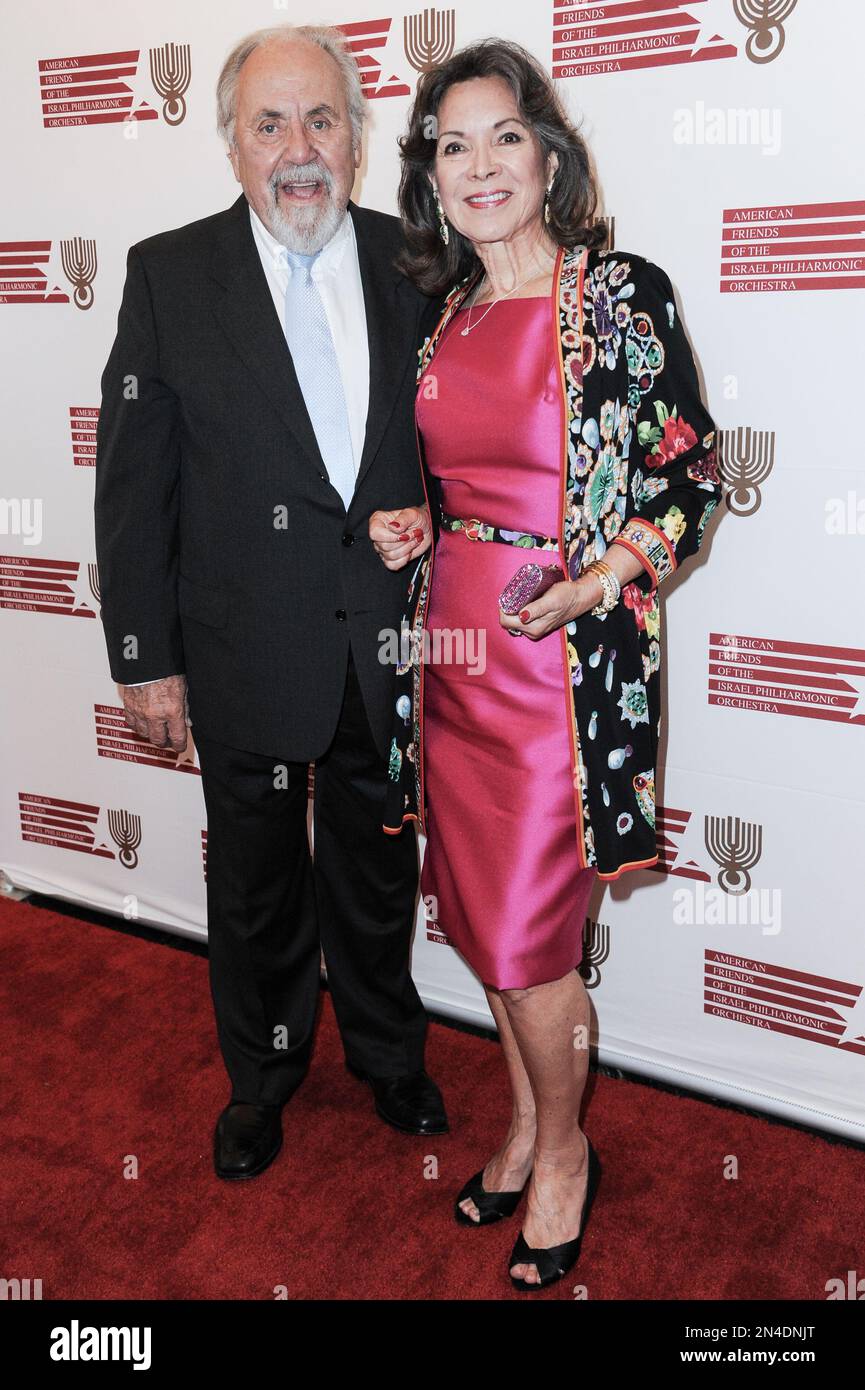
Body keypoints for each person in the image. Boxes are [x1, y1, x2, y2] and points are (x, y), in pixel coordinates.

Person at [371, 38, 722, 1289]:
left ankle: (567, 1153)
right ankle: (523, 1124)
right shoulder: (443, 316)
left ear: (549, 152)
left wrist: (596, 577)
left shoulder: (618, 293)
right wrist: (418, 525)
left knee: (530, 942)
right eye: (450, 145)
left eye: (503, 136)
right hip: (456, 653)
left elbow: (688, 475)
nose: (479, 166)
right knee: (483, 924)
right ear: (430, 175)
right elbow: (455, 489)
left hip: (561, 674)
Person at [94, 22, 447, 1184]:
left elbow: (465, 453)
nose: (299, 148)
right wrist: (144, 656)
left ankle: (391, 1055)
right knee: (252, 880)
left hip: (385, 642)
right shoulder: (167, 272)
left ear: (355, 137)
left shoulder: (423, 263)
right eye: (270, 123)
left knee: (376, 869)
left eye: (322, 119)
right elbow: (136, 480)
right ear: (231, 145)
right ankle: (263, 1075)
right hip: (239, 644)